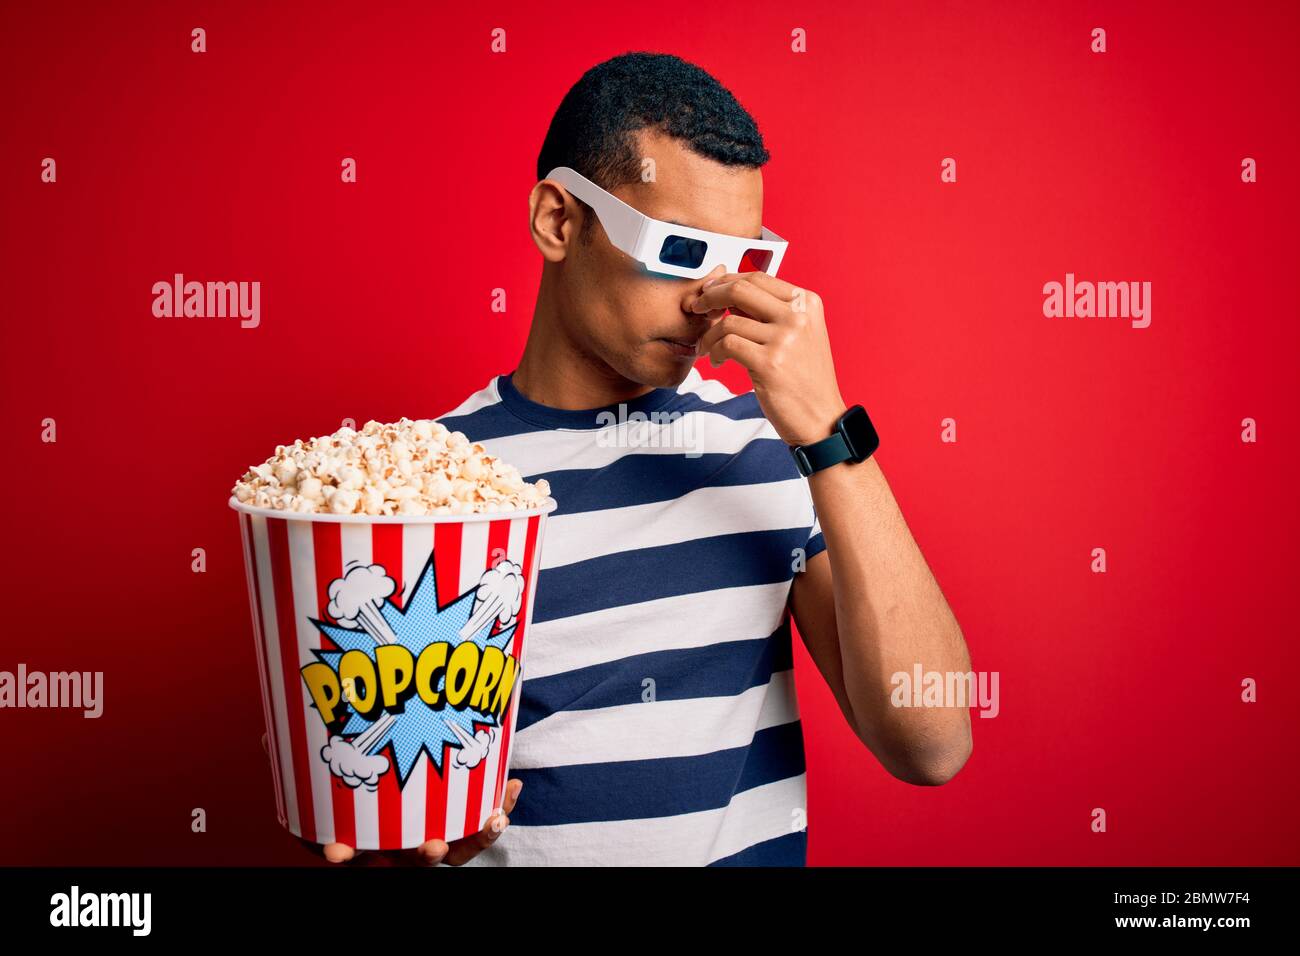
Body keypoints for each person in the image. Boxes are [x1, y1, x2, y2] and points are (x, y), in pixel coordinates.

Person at [302, 50, 972, 866]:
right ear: (559, 220)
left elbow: (930, 743)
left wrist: (830, 434)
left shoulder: (766, 452)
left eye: (741, 262)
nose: (707, 300)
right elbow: (387, 781)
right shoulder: (430, 482)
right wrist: (399, 846)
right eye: (680, 252)